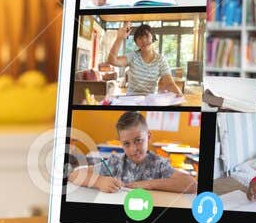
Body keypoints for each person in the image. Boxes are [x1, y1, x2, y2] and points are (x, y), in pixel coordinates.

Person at [67, 110, 195, 193]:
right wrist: (99, 181)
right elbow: (74, 174)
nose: (133, 149)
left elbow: (191, 184)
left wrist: (148, 184)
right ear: (120, 143)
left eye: (138, 140)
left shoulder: (158, 164)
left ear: (149, 136)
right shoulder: (115, 163)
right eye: (126, 144)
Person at [106, 21, 180, 96]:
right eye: (140, 38)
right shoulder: (132, 56)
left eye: (147, 36)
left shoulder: (160, 59)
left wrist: (179, 95)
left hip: (150, 100)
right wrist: (119, 38)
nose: (144, 40)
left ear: (153, 38)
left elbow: (169, 84)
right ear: (136, 42)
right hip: (131, 99)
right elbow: (112, 60)